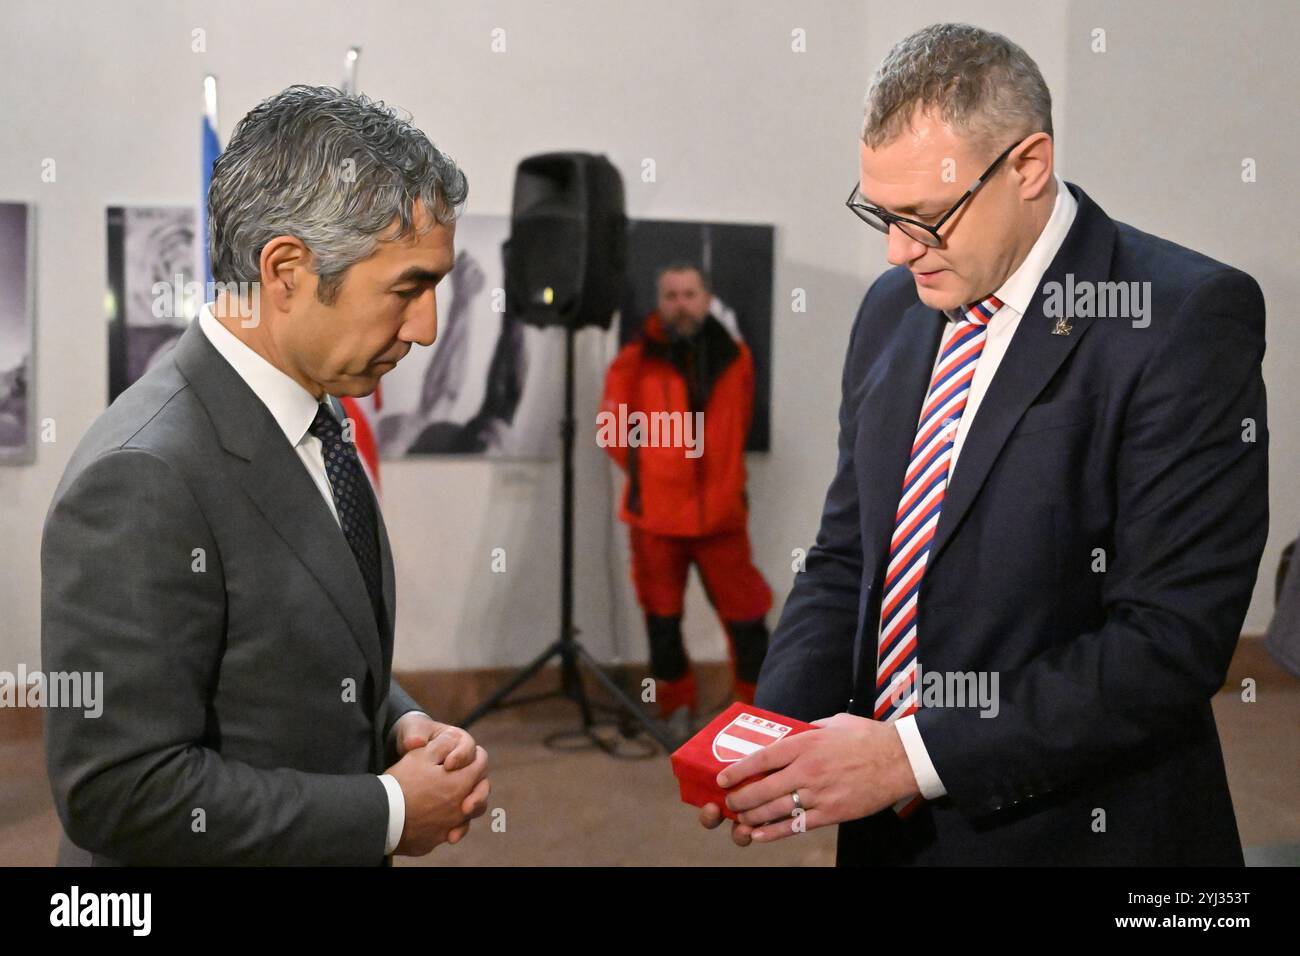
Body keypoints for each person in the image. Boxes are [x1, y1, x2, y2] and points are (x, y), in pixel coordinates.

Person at [699, 23, 1268, 865]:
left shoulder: (1180, 316)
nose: (897, 251)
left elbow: (1167, 643)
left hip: (1079, 831)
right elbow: (851, 556)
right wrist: (774, 735)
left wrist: (909, 758)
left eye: (926, 217)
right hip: (887, 836)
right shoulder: (893, 310)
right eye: (880, 214)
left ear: (1029, 166)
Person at [41, 85, 490, 865]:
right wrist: (387, 811)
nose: (427, 329)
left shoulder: (314, 411)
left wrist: (397, 721)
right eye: (408, 288)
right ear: (284, 270)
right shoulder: (143, 476)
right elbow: (117, 791)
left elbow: (297, 646)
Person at [601, 263, 771, 738]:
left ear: (707, 297)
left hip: (721, 519)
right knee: (662, 620)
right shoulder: (633, 362)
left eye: (689, 294)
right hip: (655, 518)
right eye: (671, 294)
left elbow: (737, 428)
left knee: (747, 617)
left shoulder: (736, 358)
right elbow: (614, 433)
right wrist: (655, 477)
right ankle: (674, 707)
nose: (681, 304)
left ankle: (761, 710)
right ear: (660, 301)